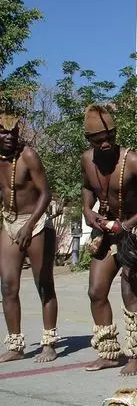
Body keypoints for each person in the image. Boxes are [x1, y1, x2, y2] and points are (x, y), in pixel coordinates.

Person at [81, 105, 137, 375]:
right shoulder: (87, 160)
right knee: (96, 291)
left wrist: (127, 224)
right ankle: (108, 352)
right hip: (107, 228)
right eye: (99, 139)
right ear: (88, 139)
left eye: (110, 137)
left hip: (136, 229)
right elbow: (87, 187)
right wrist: (87, 209)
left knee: (129, 291)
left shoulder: (134, 161)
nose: (106, 143)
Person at [0, 112, 59, 363]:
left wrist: (30, 225)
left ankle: (49, 343)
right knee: (8, 286)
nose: (8, 138)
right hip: (9, 222)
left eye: (13, 133)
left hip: (34, 223)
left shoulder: (28, 156)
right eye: (3, 133)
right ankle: (15, 345)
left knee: (43, 283)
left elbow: (45, 194)